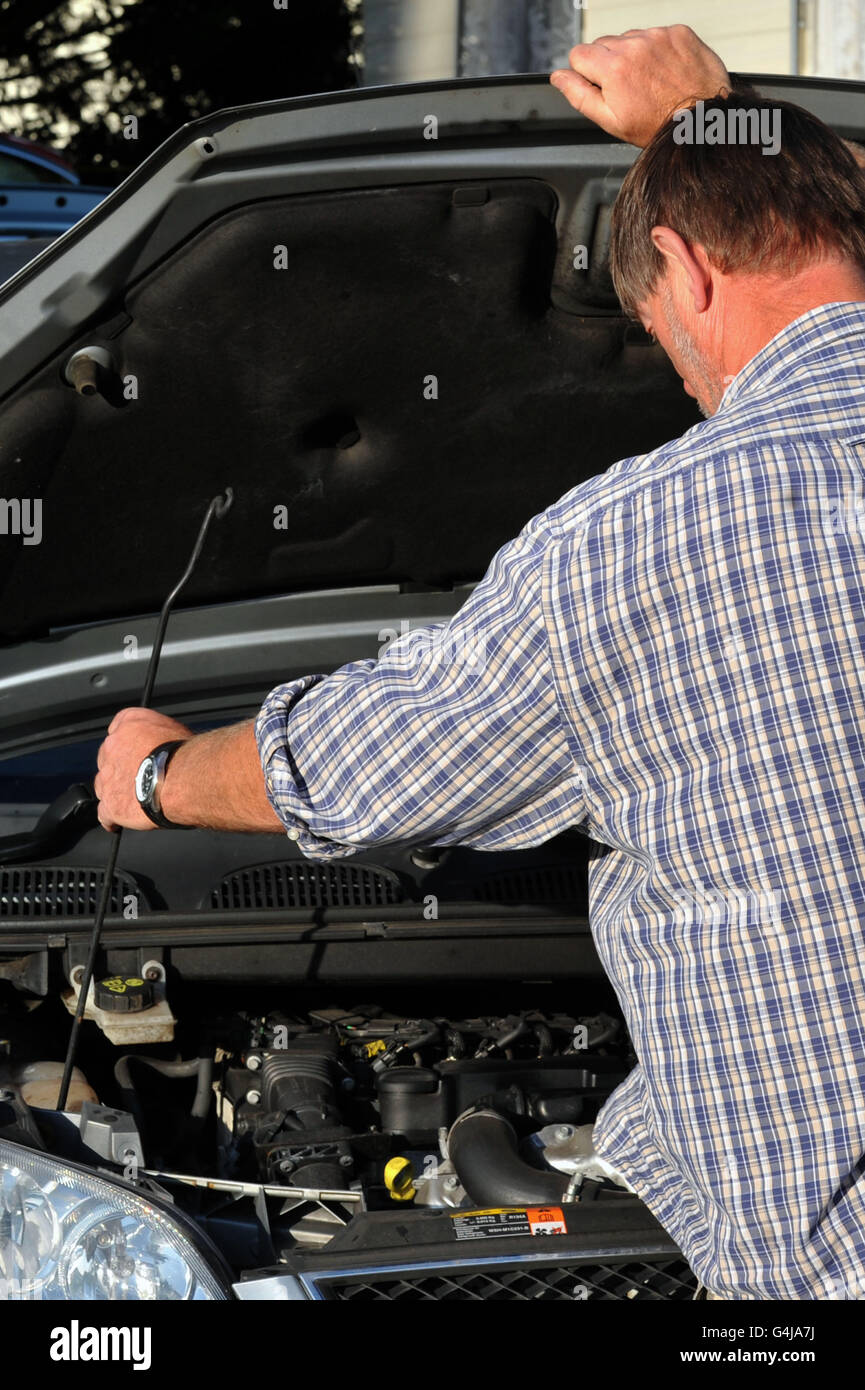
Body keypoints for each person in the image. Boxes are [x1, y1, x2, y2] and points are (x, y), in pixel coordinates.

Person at [95, 27, 865, 1299]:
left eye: (658, 335)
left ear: (679, 265)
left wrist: (165, 774)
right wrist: (718, 127)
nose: (684, 379)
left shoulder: (643, 540)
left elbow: (359, 765)